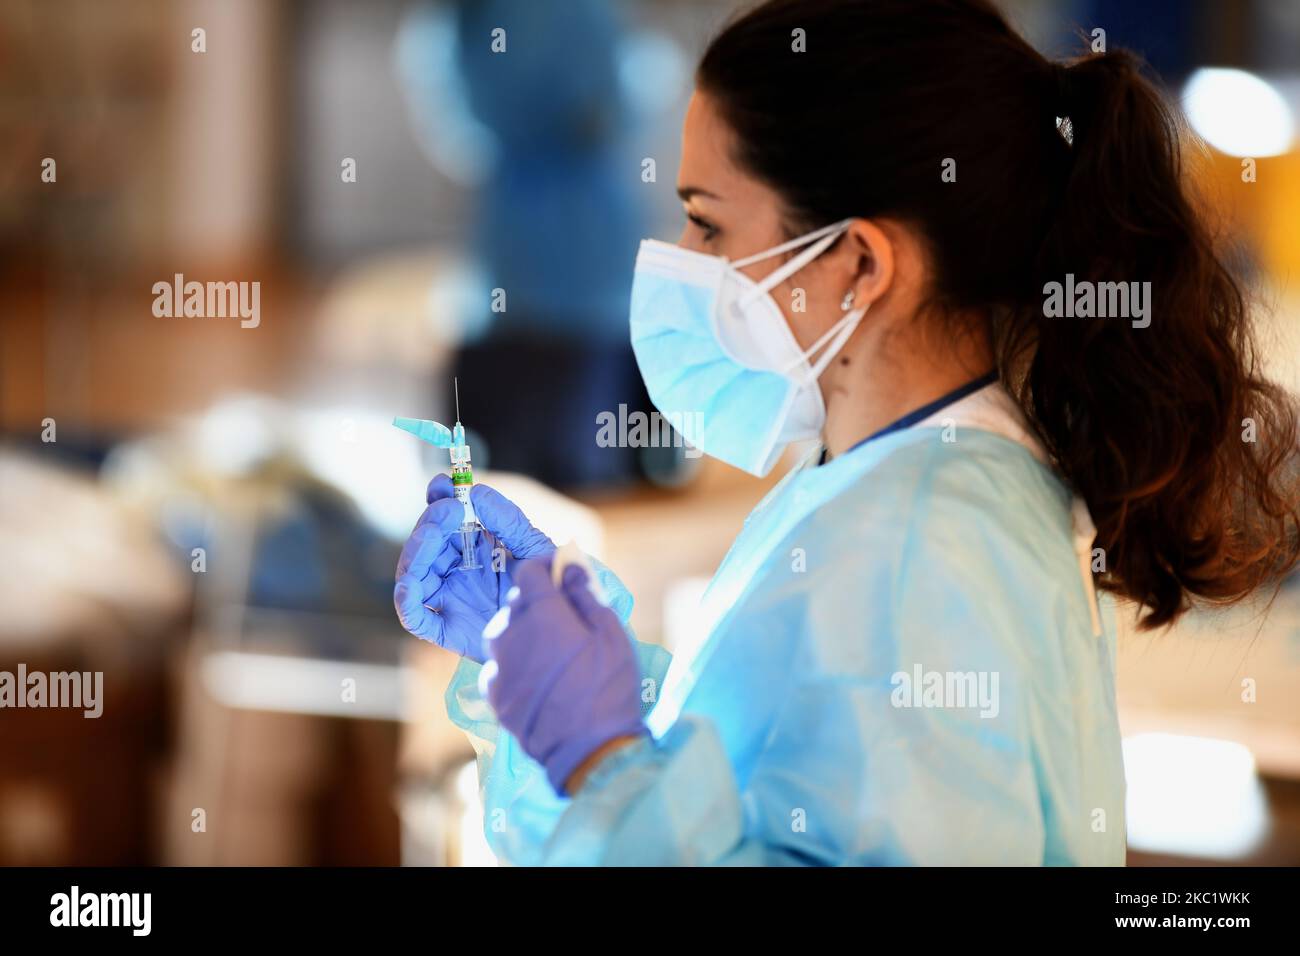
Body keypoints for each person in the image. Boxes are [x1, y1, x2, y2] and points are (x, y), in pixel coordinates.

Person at [393, 0, 1299, 865]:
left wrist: (599, 759)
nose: (678, 261)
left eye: (707, 223)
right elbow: (780, 764)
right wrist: (572, 672)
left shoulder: (922, 542)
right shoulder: (891, 479)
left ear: (859, 264)